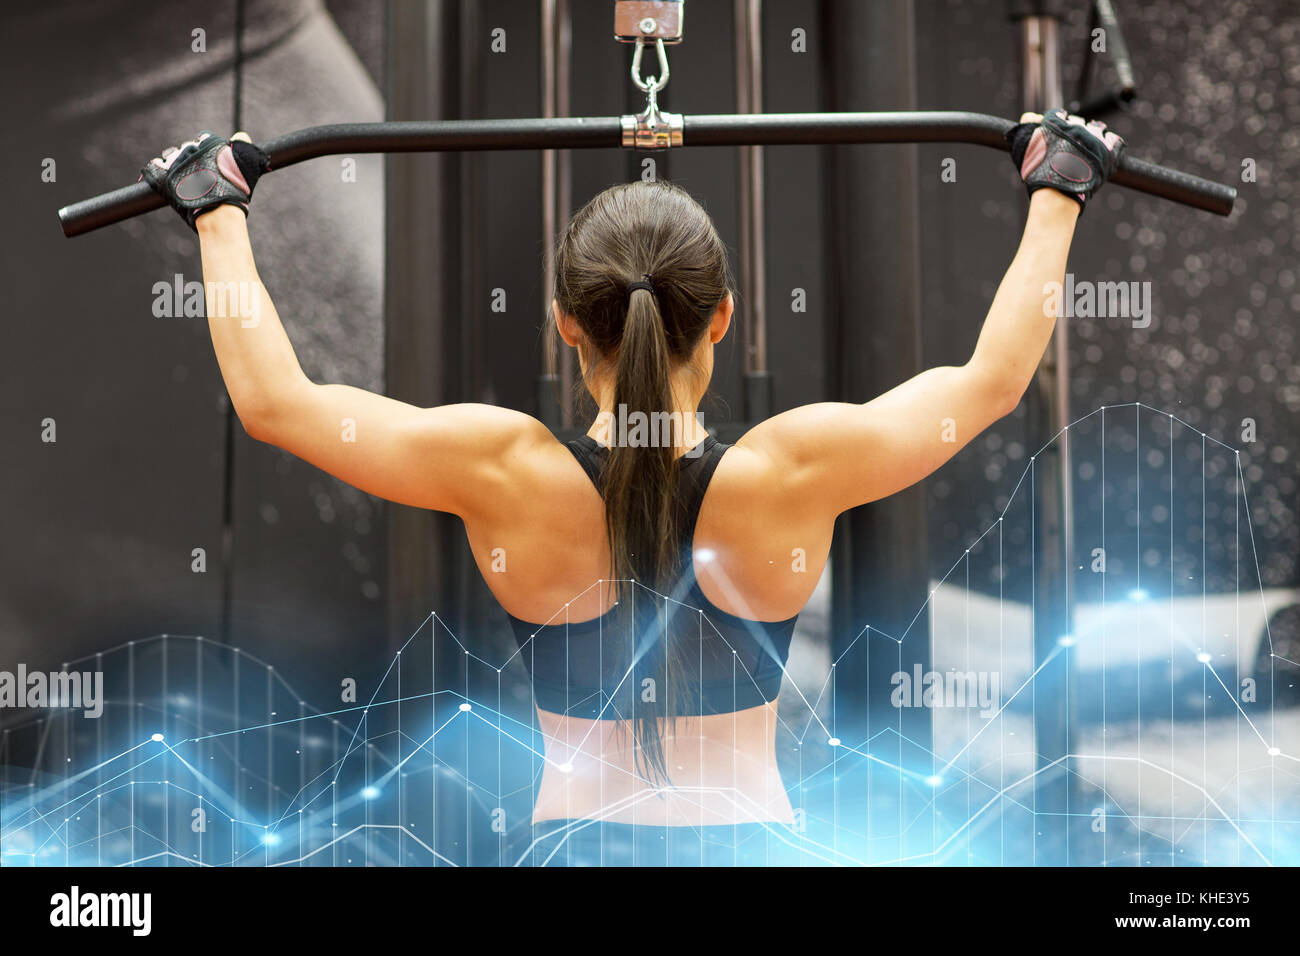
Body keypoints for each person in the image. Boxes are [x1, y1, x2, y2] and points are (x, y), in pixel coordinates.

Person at [139, 109, 1123, 865]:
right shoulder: (795, 465)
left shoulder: (505, 467)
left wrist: (217, 207)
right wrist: (1058, 187)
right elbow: (992, 381)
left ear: (567, 323)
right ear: (724, 316)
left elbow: (274, 402)